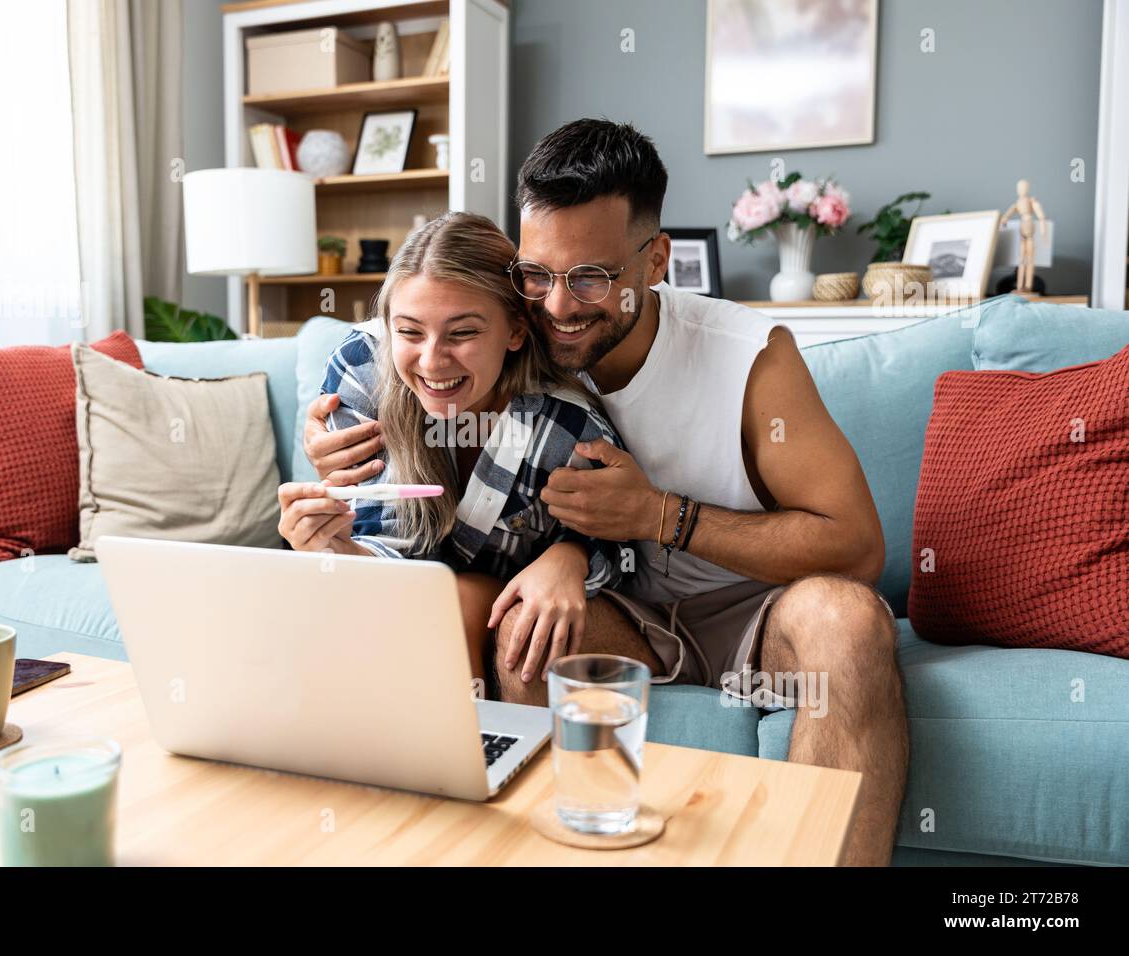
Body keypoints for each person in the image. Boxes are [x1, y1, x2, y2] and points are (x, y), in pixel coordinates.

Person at [302, 119, 909, 867]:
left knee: (844, 622)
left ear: (656, 260)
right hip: (622, 615)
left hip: (758, 613)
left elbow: (858, 547)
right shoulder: (511, 336)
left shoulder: (751, 359)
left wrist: (660, 516)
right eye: (537, 275)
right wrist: (341, 440)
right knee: (524, 636)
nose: (557, 307)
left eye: (590, 277)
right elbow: (408, 355)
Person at [277, 211, 630, 690]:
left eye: (462, 333)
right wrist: (336, 546)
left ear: (515, 331)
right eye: (408, 331)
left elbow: (619, 549)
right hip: (406, 598)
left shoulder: (566, 429)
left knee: (464, 596)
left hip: (496, 606)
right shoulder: (363, 370)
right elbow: (381, 542)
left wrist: (573, 553)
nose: (431, 361)